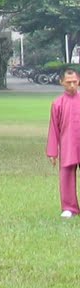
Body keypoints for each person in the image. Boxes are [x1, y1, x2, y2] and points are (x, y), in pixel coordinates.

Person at [46, 67, 80, 218]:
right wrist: (53, 152)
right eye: (68, 82)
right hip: (68, 146)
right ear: (61, 82)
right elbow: (54, 128)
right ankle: (69, 207)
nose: (72, 85)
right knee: (66, 175)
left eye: (74, 82)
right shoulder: (57, 104)